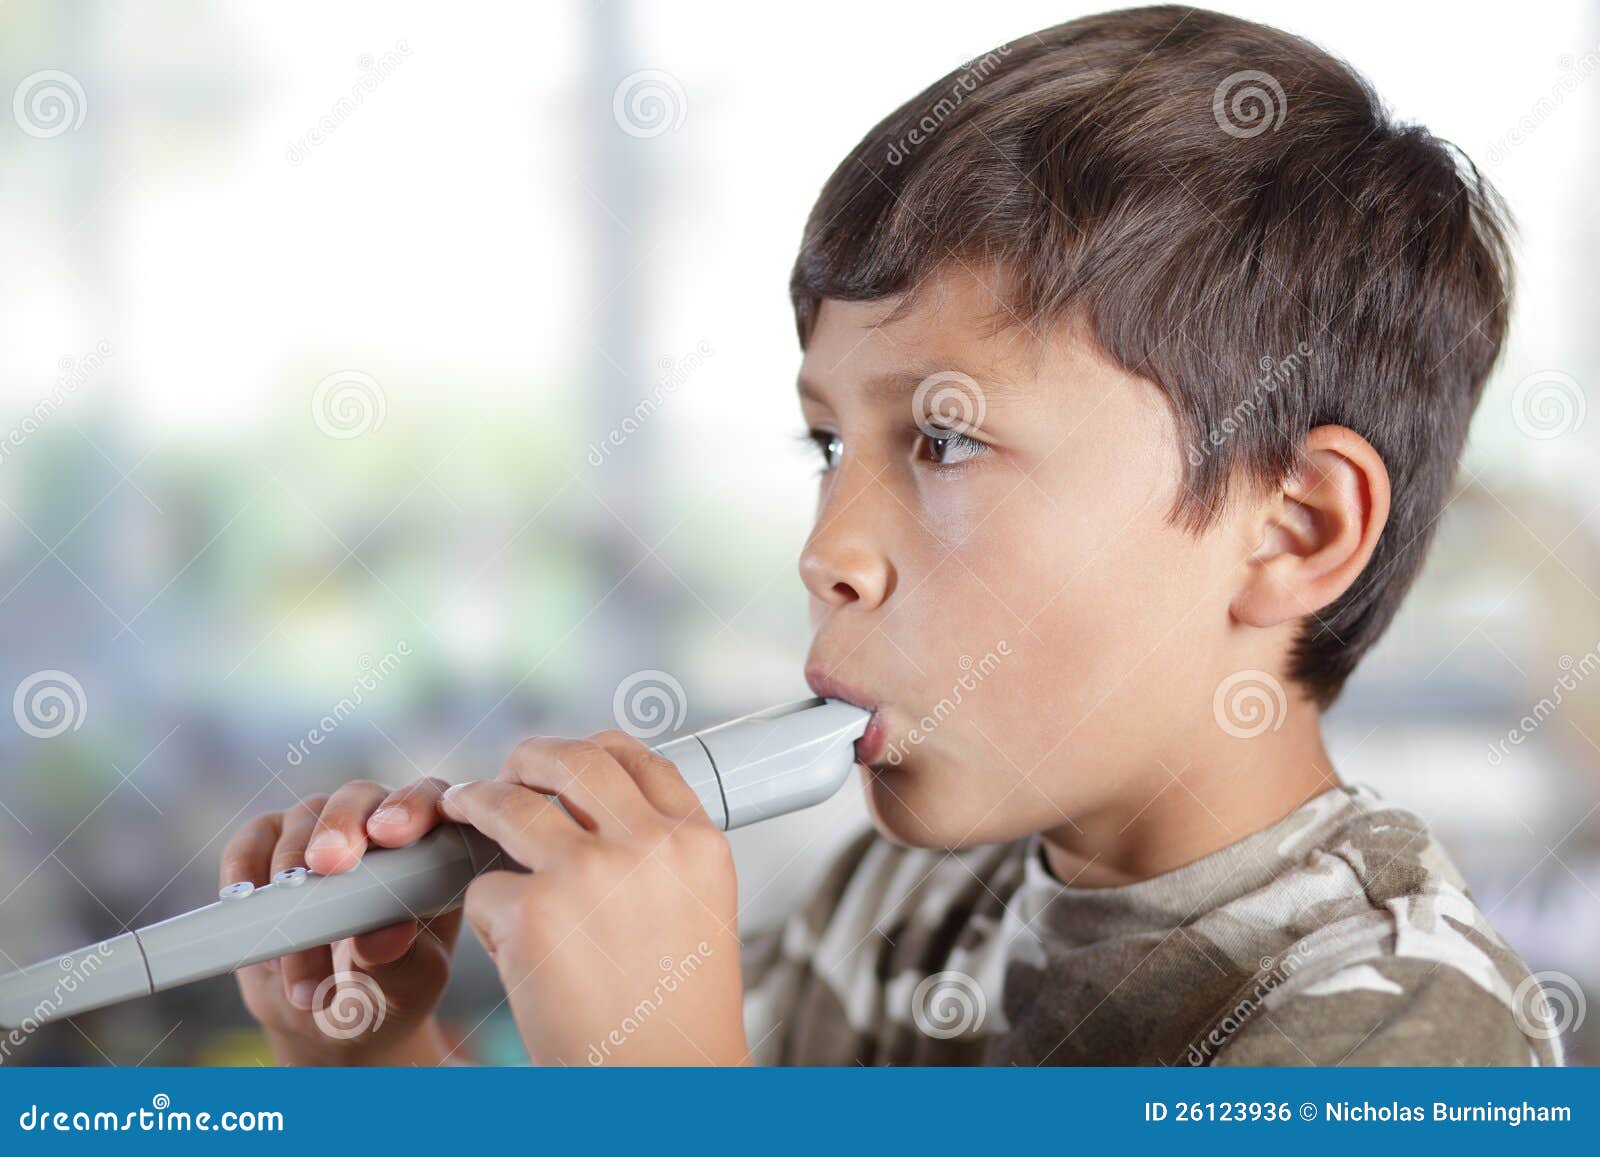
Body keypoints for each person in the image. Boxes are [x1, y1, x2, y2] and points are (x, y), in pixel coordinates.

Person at [223, 5, 1558, 1066]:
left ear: (1296, 528)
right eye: (827, 445)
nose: (828, 548)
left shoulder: (1408, 1032)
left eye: (947, 439)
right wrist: (378, 1055)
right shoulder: (899, 904)